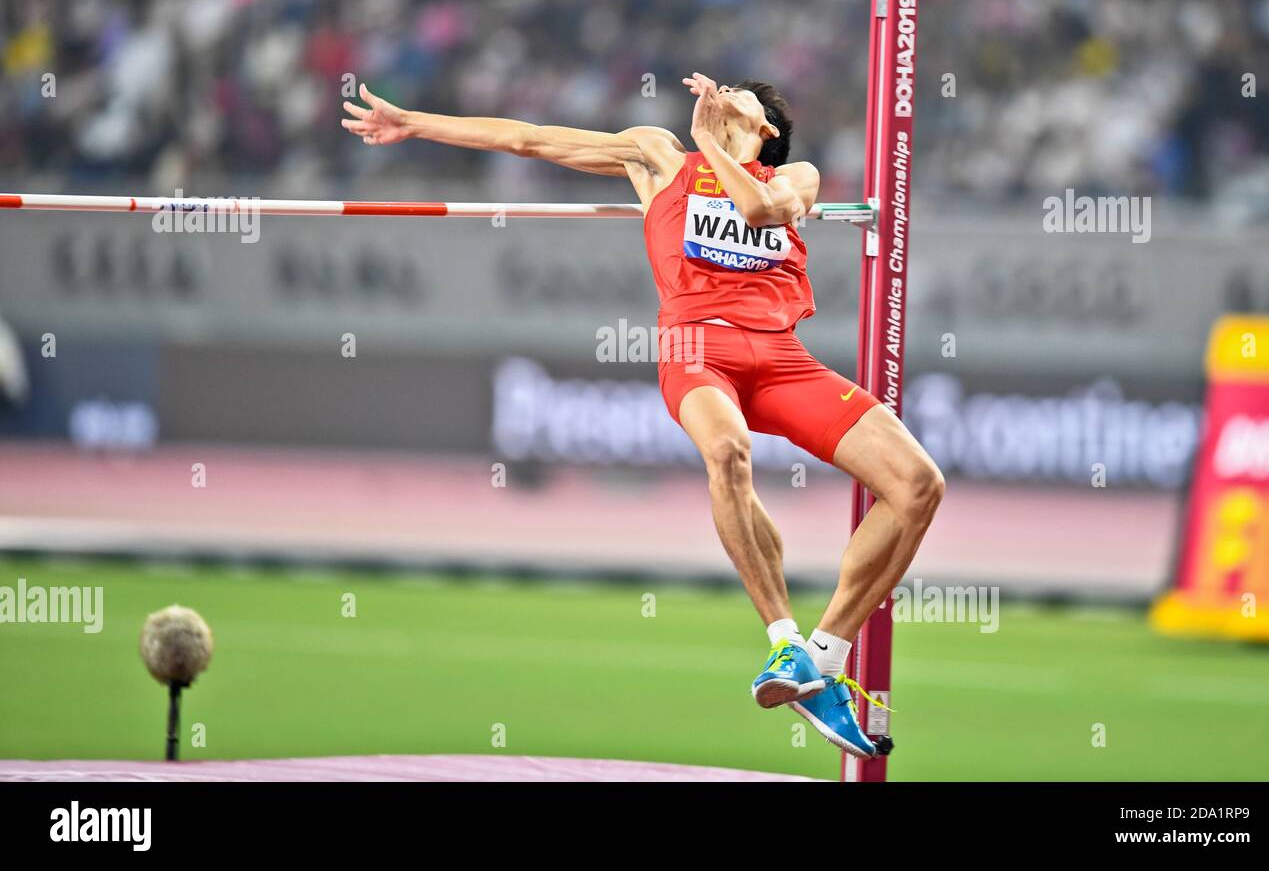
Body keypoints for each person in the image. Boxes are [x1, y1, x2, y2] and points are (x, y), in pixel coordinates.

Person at [342, 74, 944, 758]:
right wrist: (414, 121)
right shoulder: (658, 155)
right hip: (697, 351)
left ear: (767, 127)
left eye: (736, 96)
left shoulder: (793, 177)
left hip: (781, 358)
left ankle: (823, 660)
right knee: (729, 453)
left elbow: (757, 211)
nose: (718, 98)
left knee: (919, 484)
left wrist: (710, 145)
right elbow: (528, 138)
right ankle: (783, 644)